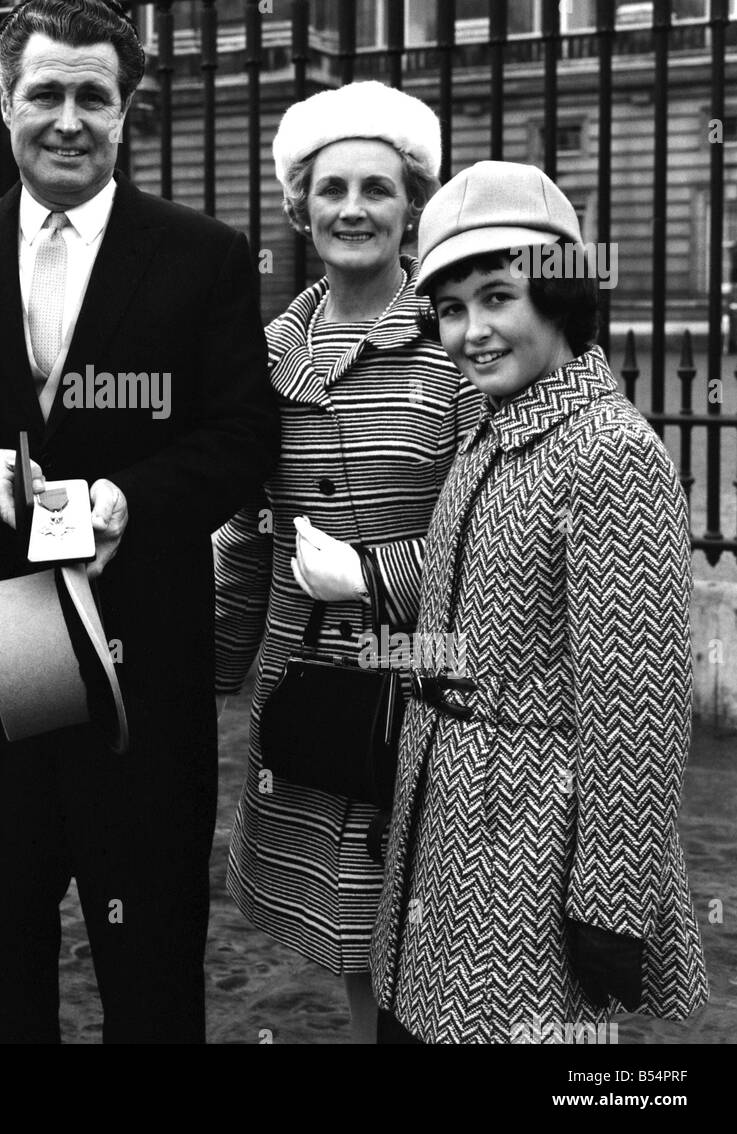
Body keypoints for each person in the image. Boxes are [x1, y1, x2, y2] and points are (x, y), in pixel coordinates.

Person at [0, 0, 279, 1043]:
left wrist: (126, 499)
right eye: (43, 92)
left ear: (125, 109)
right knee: (2, 944)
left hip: (137, 653)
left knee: (148, 963)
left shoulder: (202, 255)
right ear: (1, 100)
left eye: (92, 97)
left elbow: (243, 438)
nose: (67, 119)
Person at [369, 160, 709, 1043]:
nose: (470, 331)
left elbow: (634, 710)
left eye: (495, 297)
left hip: (532, 862)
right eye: (450, 308)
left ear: (558, 295)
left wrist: (610, 907)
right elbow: (469, 626)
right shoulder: (492, 432)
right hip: (442, 829)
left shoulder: (607, 452)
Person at [213, 81, 483, 1043]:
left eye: (377, 188)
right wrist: (205, 659)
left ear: (412, 204)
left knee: (432, 937)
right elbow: (248, 525)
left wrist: (380, 574)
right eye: (331, 189)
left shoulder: (457, 341)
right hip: (307, 682)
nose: (352, 209)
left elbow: (499, 523)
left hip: (428, 680)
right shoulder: (268, 349)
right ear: (300, 206)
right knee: (357, 942)